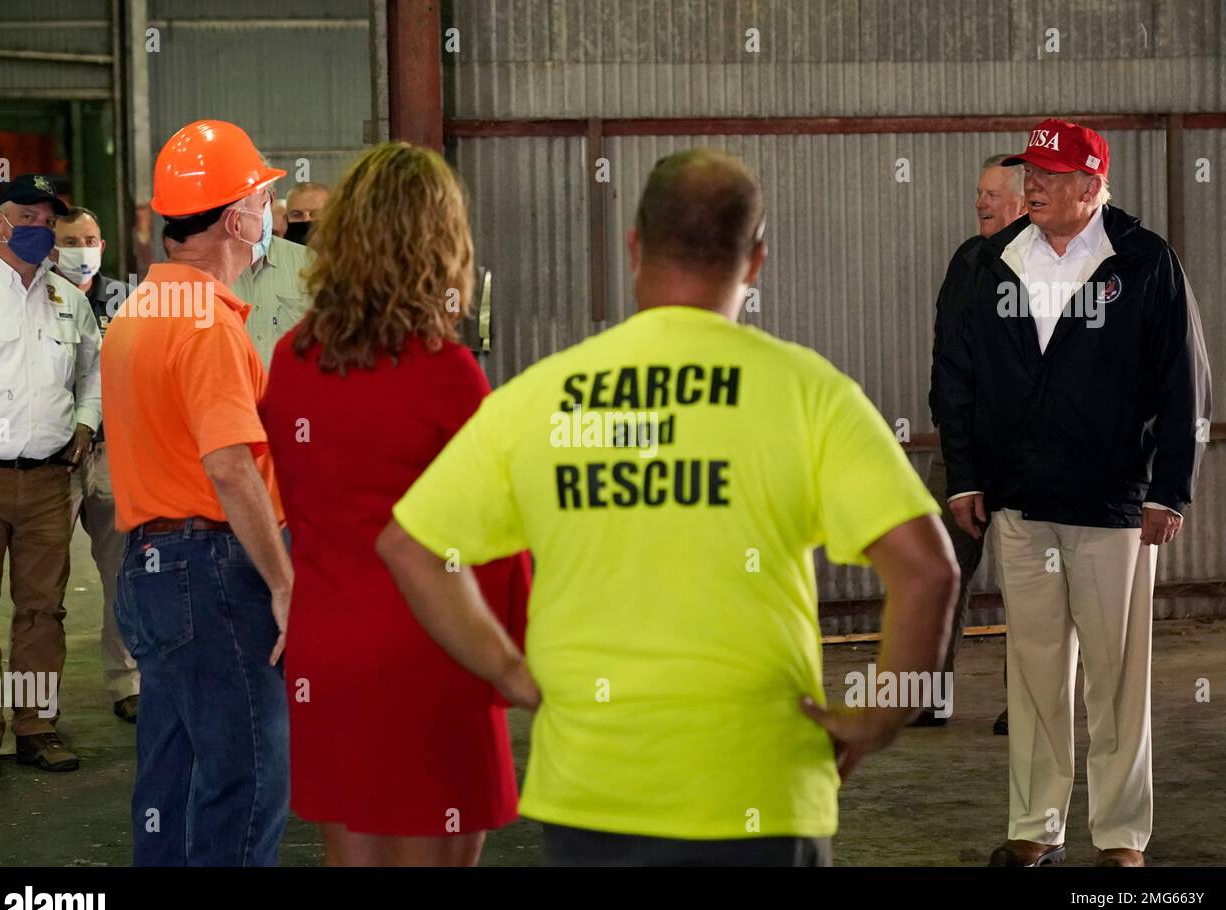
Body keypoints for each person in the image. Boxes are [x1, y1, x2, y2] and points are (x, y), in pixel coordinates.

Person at [379, 149, 959, 866]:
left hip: (594, 787)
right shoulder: (809, 393)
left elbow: (412, 546)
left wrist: (506, 670)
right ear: (755, 261)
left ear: (634, 247)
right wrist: (883, 711)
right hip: (760, 786)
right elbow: (928, 571)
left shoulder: (545, 394)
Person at [934, 119, 1211, 867]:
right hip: (1022, 502)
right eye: (1031, 173)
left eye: (1051, 176)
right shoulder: (989, 261)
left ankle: (1121, 838)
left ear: (1092, 187)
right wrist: (965, 475)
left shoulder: (1145, 263)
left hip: (1113, 503)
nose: (1034, 186)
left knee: (1118, 680)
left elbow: (1183, 383)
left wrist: (1170, 489)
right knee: (1032, 672)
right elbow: (953, 375)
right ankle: (1035, 828)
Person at [260, 142, 531, 867]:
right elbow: (495, 547)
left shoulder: (290, 360)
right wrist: (517, 657)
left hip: (332, 652)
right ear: (440, 244)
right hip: (433, 655)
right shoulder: (449, 376)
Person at [104, 119, 292, 865]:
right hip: (213, 571)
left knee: (172, 780)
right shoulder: (207, 324)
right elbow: (228, 464)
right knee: (246, 779)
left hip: (151, 570)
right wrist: (281, 580)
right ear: (236, 216)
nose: (270, 212)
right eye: (263, 197)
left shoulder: (139, 312)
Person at [0, 174, 101, 781]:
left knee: (44, 611)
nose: (43, 229)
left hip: (47, 483)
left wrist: (87, 423)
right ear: (1, 224)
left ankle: (37, 727)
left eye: (50, 220)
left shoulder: (69, 297)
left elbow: (94, 369)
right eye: (31, 218)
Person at [921, 155, 1026, 732]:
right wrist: (949, 425)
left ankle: (1029, 703)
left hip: (1018, 450)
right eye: (978, 193)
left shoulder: (1045, 261)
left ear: (1021, 199)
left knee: (1028, 579)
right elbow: (947, 354)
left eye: (992, 194)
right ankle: (928, 695)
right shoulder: (967, 259)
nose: (981, 203)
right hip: (960, 444)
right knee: (939, 567)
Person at [51, 206, 140, 723]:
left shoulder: (127, 300)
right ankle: (40, 699)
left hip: (114, 455)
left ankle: (127, 681)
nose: (82, 248)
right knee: (43, 580)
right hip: (53, 459)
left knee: (122, 572)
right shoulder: (37, 297)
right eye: (70, 239)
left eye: (90, 238)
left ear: (102, 245)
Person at [231, 181, 314, 370]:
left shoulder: (309, 264)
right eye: (238, 200)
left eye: (256, 199)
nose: (246, 210)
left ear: (270, 199)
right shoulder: (209, 272)